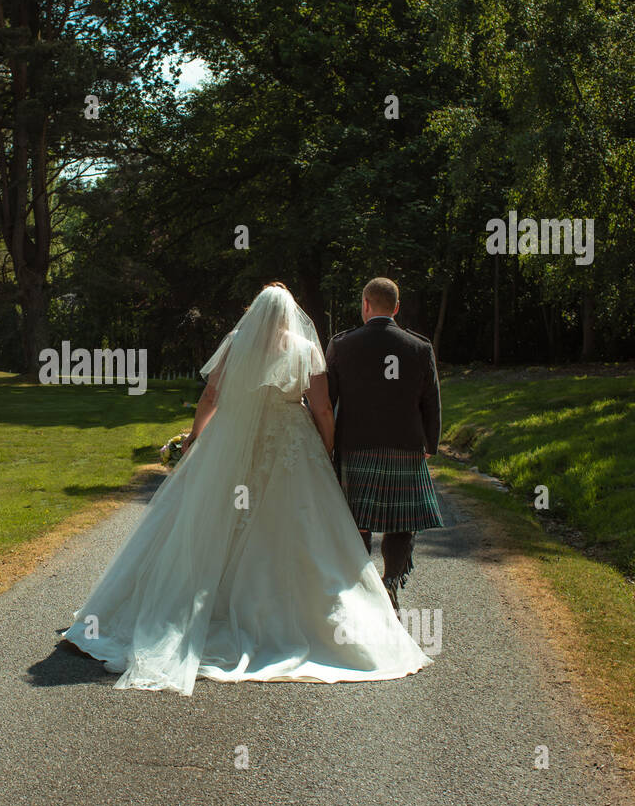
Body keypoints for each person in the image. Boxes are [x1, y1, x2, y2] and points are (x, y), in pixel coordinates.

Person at [60, 282, 432, 695]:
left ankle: (200, 608)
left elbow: (211, 396)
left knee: (216, 519)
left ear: (255, 312)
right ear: (291, 316)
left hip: (233, 440)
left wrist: (196, 439)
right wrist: (325, 448)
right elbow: (323, 406)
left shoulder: (238, 341)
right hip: (291, 441)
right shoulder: (305, 348)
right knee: (296, 525)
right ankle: (299, 619)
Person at [325, 277, 443, 615]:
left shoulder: (341, 345)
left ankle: (362, 586)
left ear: (365, 304)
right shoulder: (420, 347)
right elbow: (430, 400)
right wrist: (429, 443)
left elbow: (327, 401)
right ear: (396, 307)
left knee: (358, 520)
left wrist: (325, 444)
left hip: (355, 446)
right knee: (400, 520)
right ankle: (390, 582)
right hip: (405, 446)